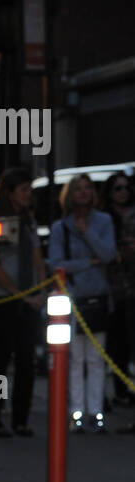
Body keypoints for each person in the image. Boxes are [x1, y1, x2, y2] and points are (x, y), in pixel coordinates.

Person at [48, 174, 117, 433]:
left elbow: (109, 255)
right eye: (78, 188)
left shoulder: (104, 221)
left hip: (98, 296)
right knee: (75, 359)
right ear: (69, 193)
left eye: (88, 188)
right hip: (71, 299)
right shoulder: (60, 227)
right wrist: (89, 263)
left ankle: (96, 413)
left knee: (97, 359)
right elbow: (56, 264)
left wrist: (88, 234)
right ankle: (76, 413)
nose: (84, 192)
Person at [0, 167, 46, 438]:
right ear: (10, 193)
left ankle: (21, 418)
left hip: (29, 299)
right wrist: (18, 293)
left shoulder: (27, 220)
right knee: (1, 361)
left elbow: (36, 257)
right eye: (24, 191)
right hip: (2, 299)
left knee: (26, 361)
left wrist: (40, 289)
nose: (28, 195)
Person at [100, 171, 135, 411]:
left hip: (132, 283)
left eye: (126, 187)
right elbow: (106, 253)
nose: (123, 192)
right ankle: (120, 390)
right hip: (112, 286)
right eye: (117, 188)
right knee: (115, 342)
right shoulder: (104, 218)